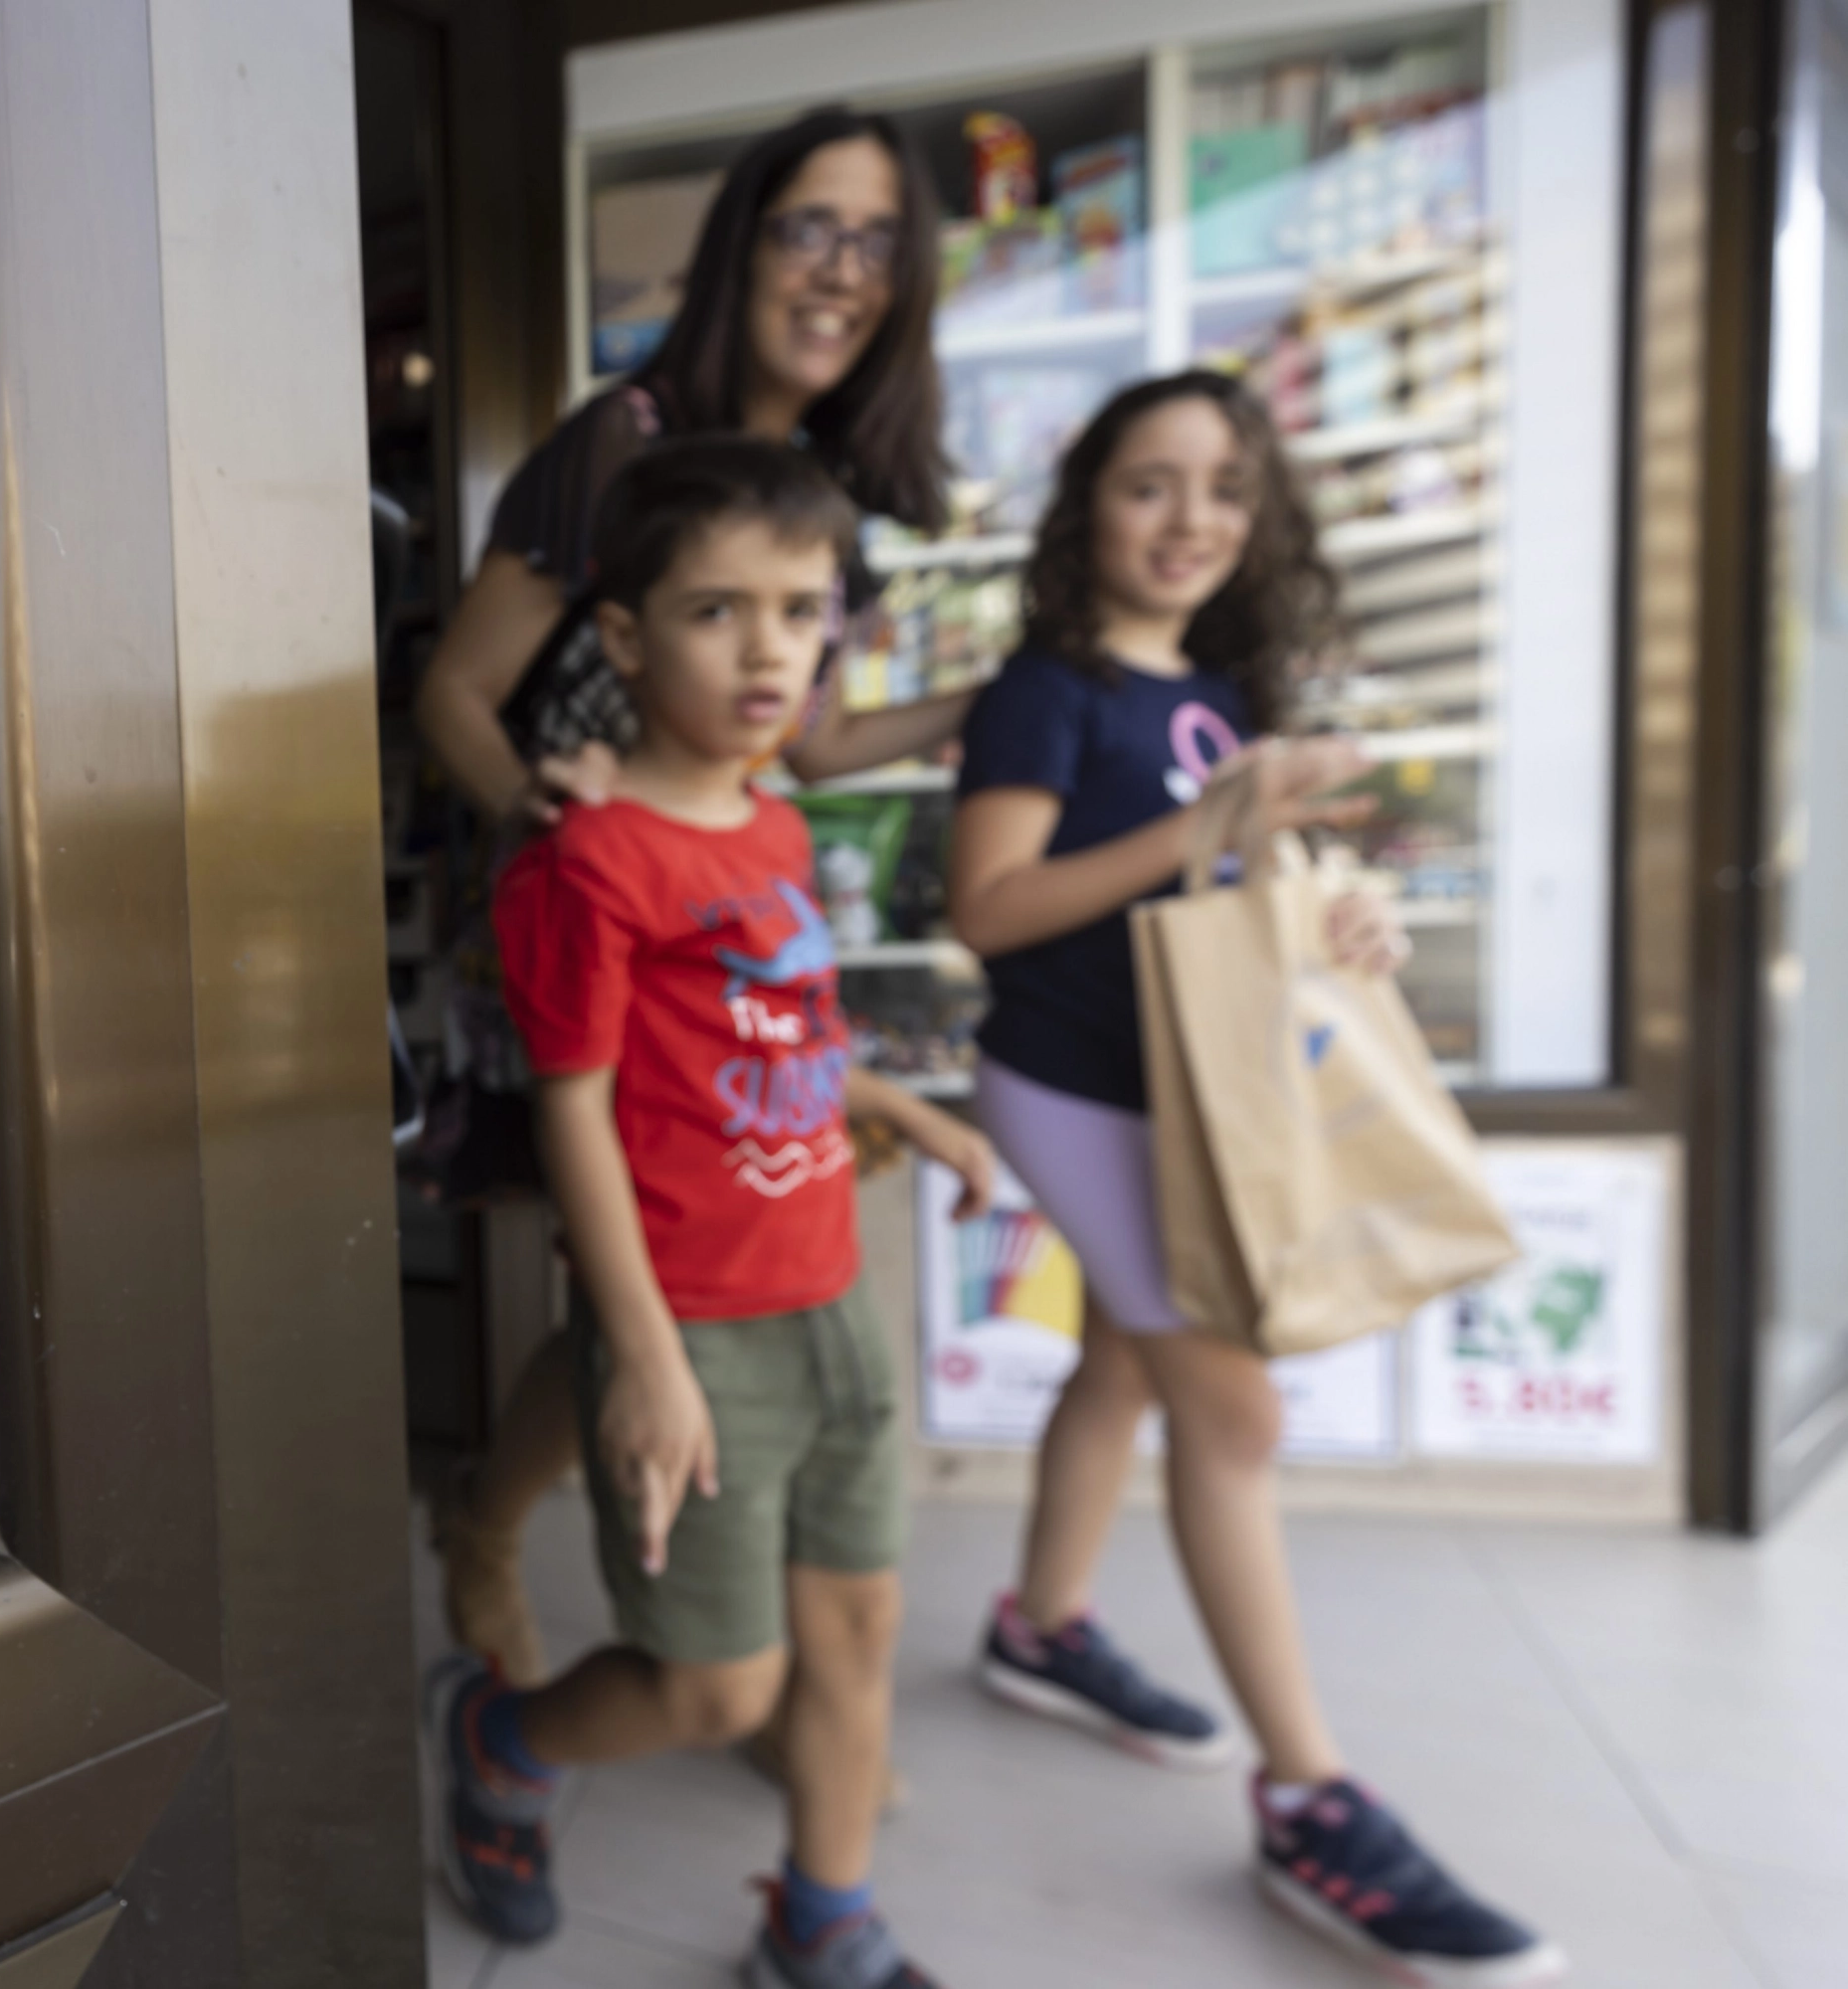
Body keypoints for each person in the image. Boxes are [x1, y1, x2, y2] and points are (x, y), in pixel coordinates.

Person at [947, 370, 1565, 1984]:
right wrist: (1215, 822)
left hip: (1184, 1090)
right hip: (1069, 1087)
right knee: (1231, 1412)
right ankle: (1306, 1802)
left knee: (1125, 1366)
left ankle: (1037, 1627)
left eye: (1220, 488)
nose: (1187, 519)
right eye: (1146, 483)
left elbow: (1236, 875)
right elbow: (990, 911)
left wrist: (1330, 901)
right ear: (1085, 498)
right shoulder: (1042, 689)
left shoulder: (1216, 684)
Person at [428, 437, 995, 1989]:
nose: (768, 650)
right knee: (711, 1687)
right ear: (621, 638)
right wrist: (650, 1362)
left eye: (801, 611)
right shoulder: (586, 864)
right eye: (714, 611)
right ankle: (494, 1733)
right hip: (694, 1331)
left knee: (856, 1636)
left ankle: (822, 1925)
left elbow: (773, 1035)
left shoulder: (775, 828)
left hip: (827, 1306)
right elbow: (576, 1114)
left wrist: (893, 1104)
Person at [416, 104, 971, 1687]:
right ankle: (503, 1529)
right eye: (809, 224)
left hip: (723, 917)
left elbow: (823, 738)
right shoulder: (621, 434)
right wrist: (546, 816)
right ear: (744, 241)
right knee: (622, 1262)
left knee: (651, 1272)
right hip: (576, 892)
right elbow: (457, 693)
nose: (840, 267)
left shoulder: (822, 483)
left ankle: (596, 1560)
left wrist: (978, 706)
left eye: (875, 239)